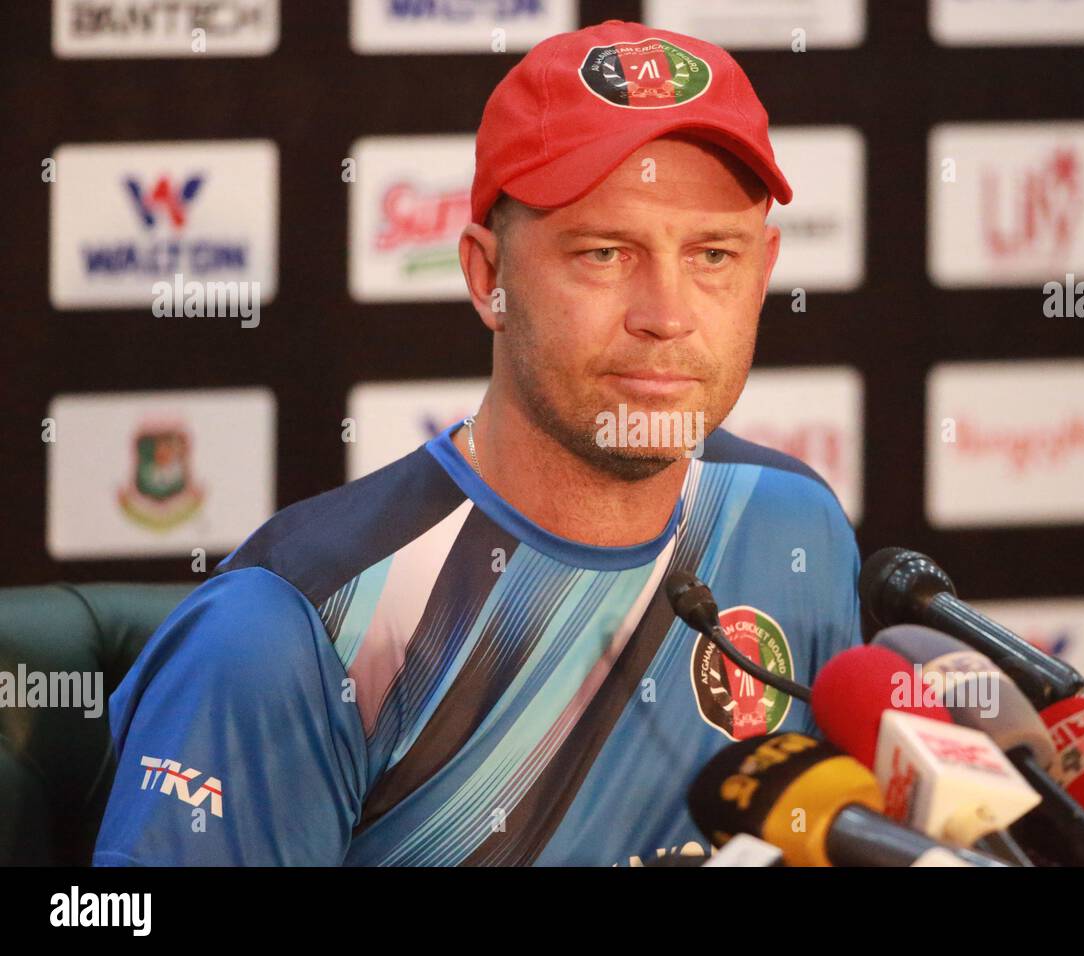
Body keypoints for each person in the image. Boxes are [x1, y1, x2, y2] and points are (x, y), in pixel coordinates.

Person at [93, 19, 861, 867]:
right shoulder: (288, 631)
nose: (667, 314)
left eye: (714, 255)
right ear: (486, 276)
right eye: (605, 253)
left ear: (764, 273)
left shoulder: (796, 526)